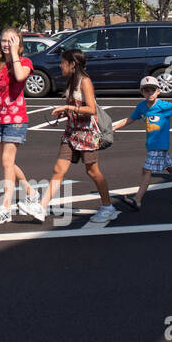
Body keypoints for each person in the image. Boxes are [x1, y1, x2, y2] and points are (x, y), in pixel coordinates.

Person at [0, 28, 44, 223]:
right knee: (8, 164)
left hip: (16, 119)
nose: (6, 43)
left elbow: (21, 77)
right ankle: (31, 194)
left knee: (7, 161)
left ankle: (5, 207)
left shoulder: (25, 63)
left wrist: (14, 52)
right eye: (4, 40)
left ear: (19, 43)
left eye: (11, 40)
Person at [40, 49, 117, 223]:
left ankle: (108, 207)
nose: (60, 65)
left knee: (92, 171)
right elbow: (76, 107)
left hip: (87, 133)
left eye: (63, 62)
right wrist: (65, 113)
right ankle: (41, 206)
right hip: (71, 132)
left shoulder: (85, 81)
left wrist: (68, 108)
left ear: (72, 64)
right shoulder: (71, 81)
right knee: (58, 169)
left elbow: (90, 109)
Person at [111, 75, 172, 208]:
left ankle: (137, 199)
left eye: (152, 90)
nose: (150, 93)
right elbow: (130, 119)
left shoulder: (162, 105)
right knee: (171, 169)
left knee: (146, 170)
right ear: (142, 92)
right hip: (152, 145)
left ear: (158, 91)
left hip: (159, 145)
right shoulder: (142, 107)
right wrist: (115, 127)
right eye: (146, 90)